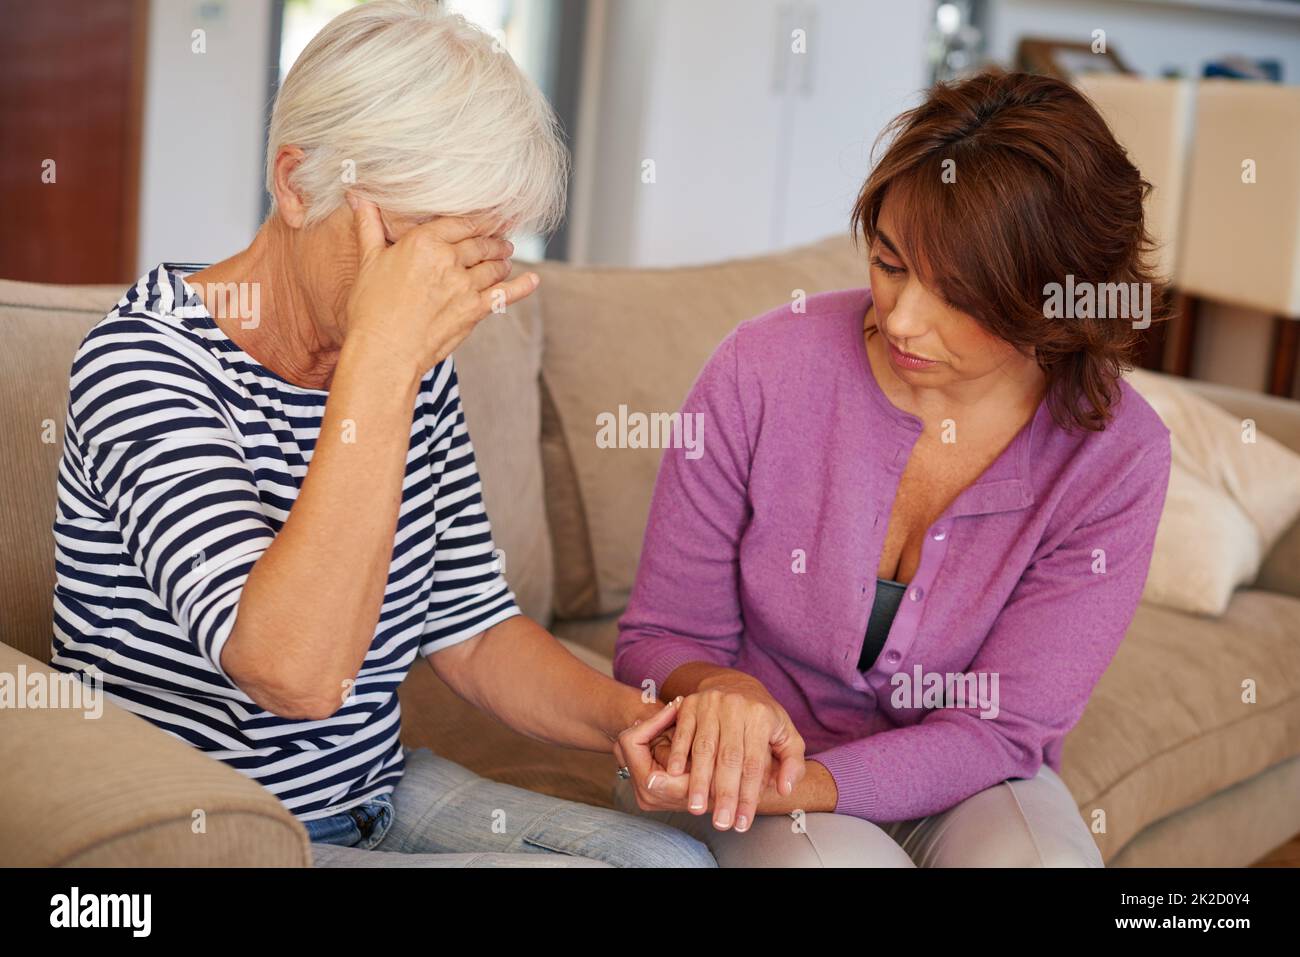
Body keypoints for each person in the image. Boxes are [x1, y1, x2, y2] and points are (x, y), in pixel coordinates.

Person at [50, 0, 712, 869]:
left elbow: (473, 632)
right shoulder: (146, 365)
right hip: (213, 826)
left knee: (675, 864)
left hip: (378, 792)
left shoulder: (413, 364)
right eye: (408, 248)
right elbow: (295, 671)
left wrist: (641, 722)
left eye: (471, 255)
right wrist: (382, 362)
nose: (437, 292)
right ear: (295, 184)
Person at [612, 67, 1174, 867]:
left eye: (960, 294)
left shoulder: (1118, 455)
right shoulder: (762, 369)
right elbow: (659, 636)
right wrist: (720, 692)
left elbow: (1004, 727)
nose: (903, 318)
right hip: (747, 768)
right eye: (890, 262)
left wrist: (815, 782)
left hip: (964, 773)